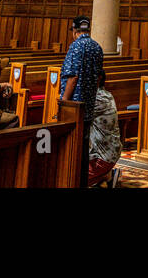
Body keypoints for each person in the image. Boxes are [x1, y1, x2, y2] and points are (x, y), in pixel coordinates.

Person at [60, 15, 104, 187]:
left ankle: (71, 180)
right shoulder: (97, 47)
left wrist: (64, 102)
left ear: (74, 31)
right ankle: (82, 180)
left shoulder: (76, 46)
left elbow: (72, 77)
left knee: (71, 147)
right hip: (89, 105)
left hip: (74, 107)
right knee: (83, 145)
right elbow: (99, 76)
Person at [87, 69, 122, 188]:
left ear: (98, 79)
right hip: (110, 152)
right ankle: (108, 175)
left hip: (103, 158)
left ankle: (106, 174)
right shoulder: (106, 94)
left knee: (72, 179)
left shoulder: (98, 98)